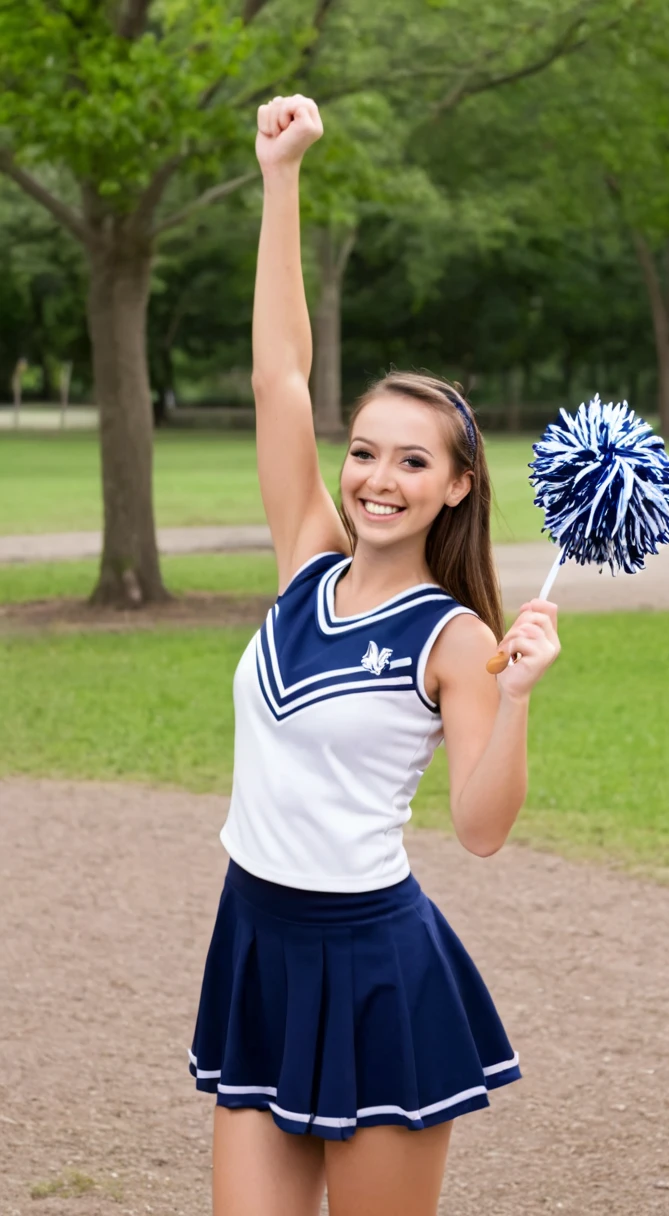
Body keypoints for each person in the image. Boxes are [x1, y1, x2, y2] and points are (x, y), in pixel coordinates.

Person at [188, 94, 561, 1216]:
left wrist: (521, 691)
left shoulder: (457, 638)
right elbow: (277, 378)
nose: (375, 479)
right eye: (361, 452)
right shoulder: (308, 560)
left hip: (374, 967)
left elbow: (482, 831)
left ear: (456, 485)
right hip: (255, 931)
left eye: (411, 461)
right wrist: (281, 179)